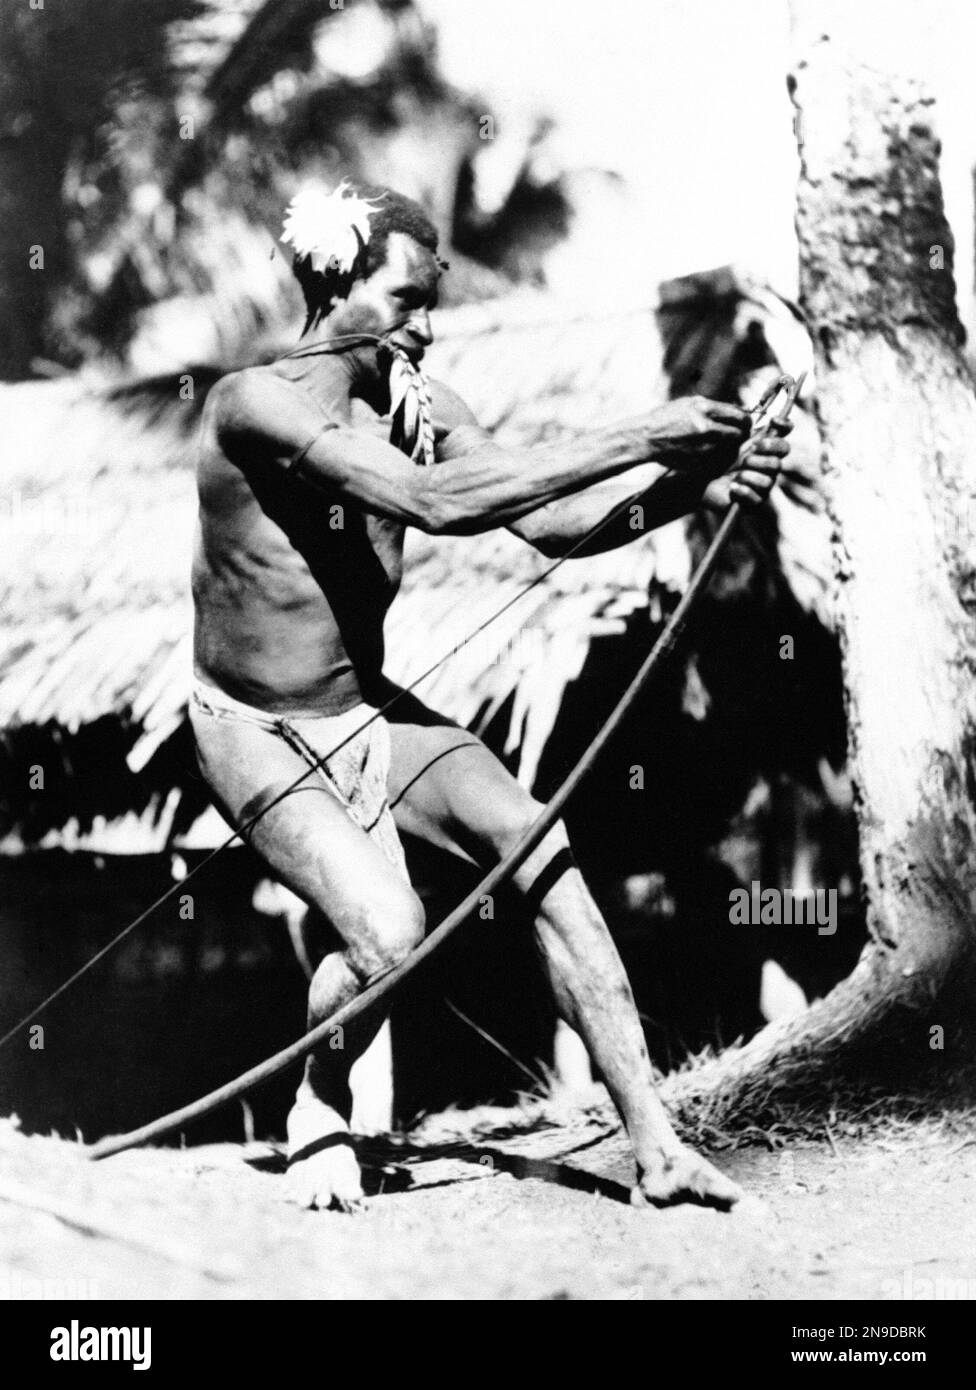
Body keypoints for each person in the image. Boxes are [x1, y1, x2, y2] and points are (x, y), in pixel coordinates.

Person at [190, 180, 791, 1211]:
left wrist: (696, 481)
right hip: (252, 731)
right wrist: (647, 430)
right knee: (386, 930)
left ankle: (654, 1144)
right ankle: (319, 1100)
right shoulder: (252, 403)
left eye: (433, 302)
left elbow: (555, 526)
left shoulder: (419, 404)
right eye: (407, 300)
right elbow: (432, 502)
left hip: (366, 711)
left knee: (539, 845)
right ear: (336, 287)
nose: (425, 327)